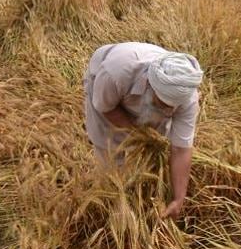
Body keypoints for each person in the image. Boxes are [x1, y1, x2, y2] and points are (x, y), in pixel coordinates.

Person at [83, 42, 204, 218]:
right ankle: (109, 200)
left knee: (152, 150)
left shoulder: (187, 98)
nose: (167, 111)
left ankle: (138, 192)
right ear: (149, 83)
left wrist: (179, 198)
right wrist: (136, 134)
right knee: (110, 151)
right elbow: (106, 108)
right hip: (106, 88)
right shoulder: (115, 73)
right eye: (161, 103)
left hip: (136, 91)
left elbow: (181, 148)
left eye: (171, 107)